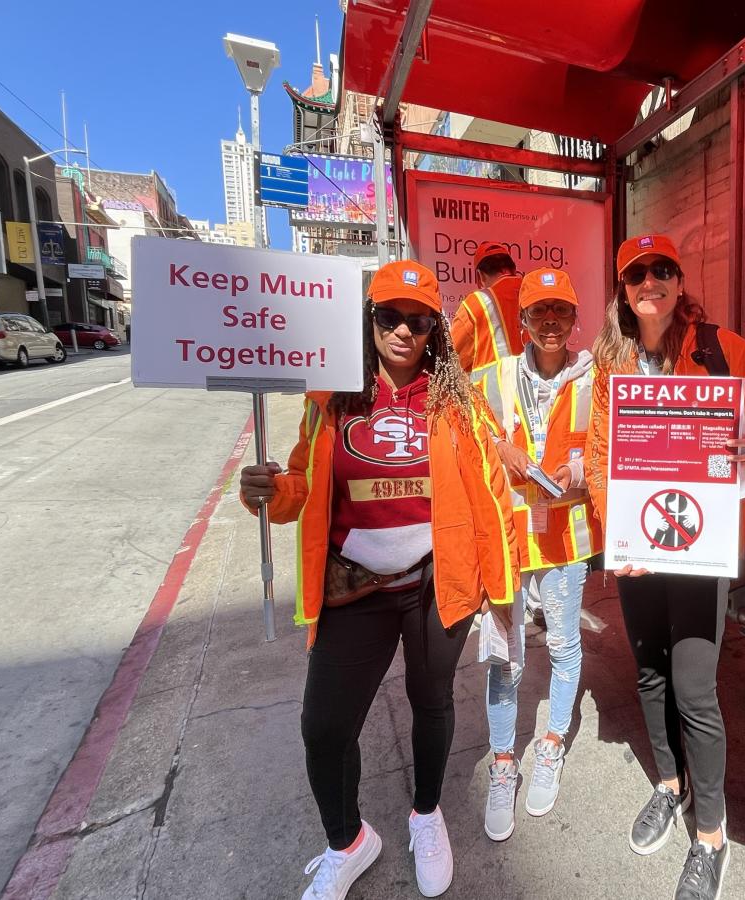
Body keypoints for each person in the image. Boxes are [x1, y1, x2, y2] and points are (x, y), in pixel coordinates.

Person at [239, 260, 518, 900]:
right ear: (369, 320)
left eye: (417, 321)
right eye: (388, 316)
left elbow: (490, 495)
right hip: (354, 589)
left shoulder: (457, 401)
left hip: (433, 586)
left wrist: (501, 592)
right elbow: (300, 487)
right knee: (325, 727)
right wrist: (270, 491)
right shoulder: (330, 395)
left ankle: (426, 812)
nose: (402, 331)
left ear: (433, 331)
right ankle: (349, 840)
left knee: (433, 702)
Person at [586, 233, 745, 900]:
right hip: (640, 551)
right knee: (649, 674)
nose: (651, 282)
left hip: (700, 551)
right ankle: (669, 785)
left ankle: (711, 834)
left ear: (679, 281)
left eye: (663, 270)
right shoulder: (609, 365)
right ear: (624, 289)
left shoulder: (721, 349)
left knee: (696, 690)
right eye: (637, 273)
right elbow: (597, 460)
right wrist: (618, 536)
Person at [470, 267, 602, 841]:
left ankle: (549, 745)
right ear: (521, 321)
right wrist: (501, 447)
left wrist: (583, 469)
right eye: (539, 313)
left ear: (575, 321)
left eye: (562, 312)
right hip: (509, 539)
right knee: (507, 654)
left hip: (567, 540)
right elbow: (464, 431)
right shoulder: (491, 376)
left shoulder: (596, 380)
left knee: (566, 645)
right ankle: (504, 762)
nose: (551, 323)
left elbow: (615, 445)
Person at [450, 240, 525, 372]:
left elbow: (452, 360)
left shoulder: (475, 304)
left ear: (480, 276)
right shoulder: (533, 294)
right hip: (539, 389)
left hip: (493, 391)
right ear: (513, 269)